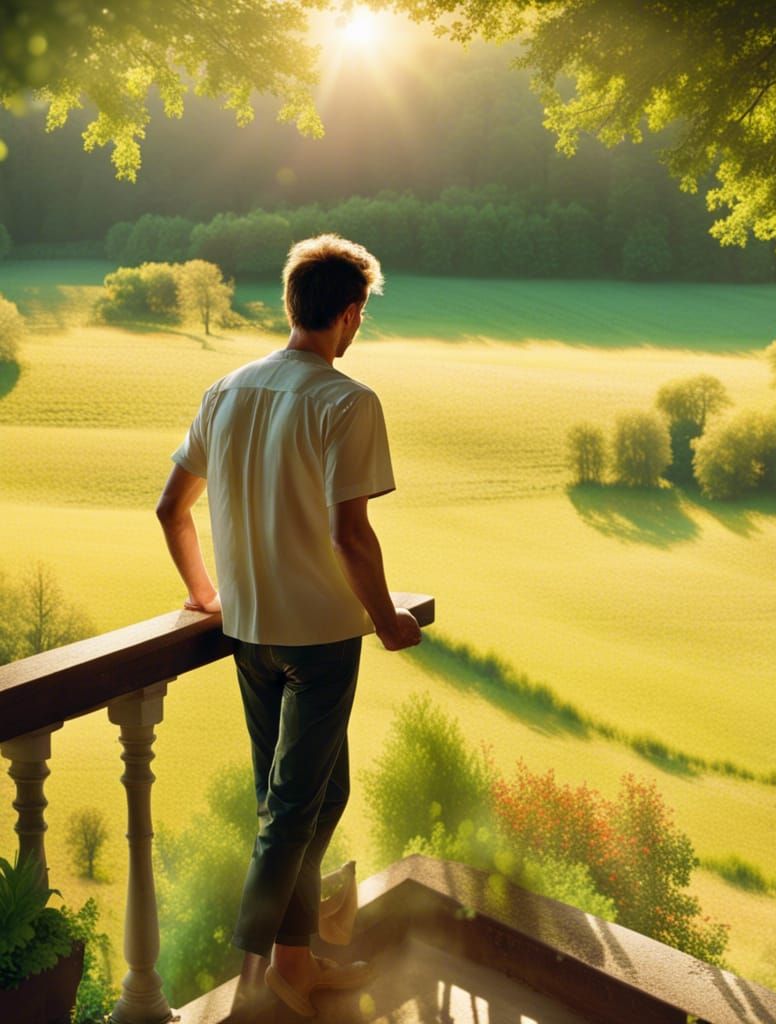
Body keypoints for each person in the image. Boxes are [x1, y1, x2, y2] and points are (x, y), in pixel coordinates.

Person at [156, 234, 421, 1017]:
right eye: (361, 313)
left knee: (316, 792)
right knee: (291, 809)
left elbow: (172, 509)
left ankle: (304, 933)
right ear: (348, 314)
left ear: (289, 305)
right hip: (320, 639)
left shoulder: (226, 389)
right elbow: (350, 536)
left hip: (249, 635)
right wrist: (389, 619)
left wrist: (209, 595)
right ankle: (269, 972)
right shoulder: (348, 401)